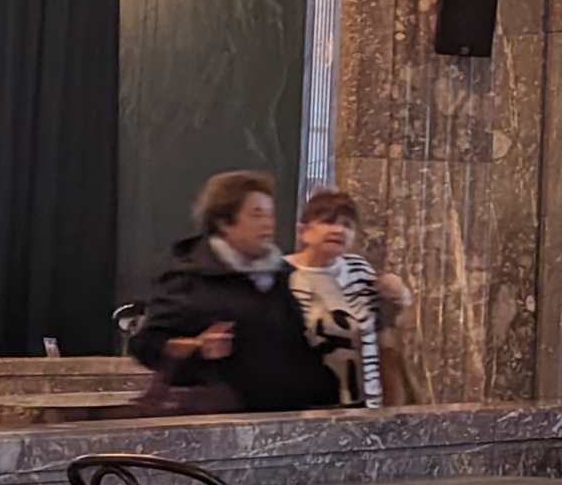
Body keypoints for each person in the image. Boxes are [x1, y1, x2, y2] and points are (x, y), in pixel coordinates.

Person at [130, 171, 341, 413]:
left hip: (284, 422)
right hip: (220, 426)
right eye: (256, 214)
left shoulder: (281, 275)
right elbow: (146, 345)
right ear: (224, 221)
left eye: (270, 214)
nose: (267, 223)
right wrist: (197, 346)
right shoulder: (191, 276)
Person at [285, 187, 414, 408]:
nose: (338, 230)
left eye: (347, 225)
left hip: (365, 405)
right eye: (328, 222)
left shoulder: (359, 269)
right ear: (303, 231)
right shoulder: (282, 275)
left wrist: (400, 294)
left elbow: (386, 326)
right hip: (304, 407)